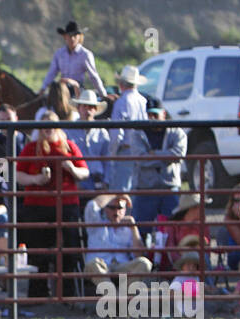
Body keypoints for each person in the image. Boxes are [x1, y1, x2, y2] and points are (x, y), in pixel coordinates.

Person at [17, 111, 89, 300]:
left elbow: (84, 172)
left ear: (57, 127)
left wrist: (72, 169)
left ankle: (68, 292)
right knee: (37, 251)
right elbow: (17, 175)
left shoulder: (70, 146)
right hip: (37, 205)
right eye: (44, 126)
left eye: (51, 125)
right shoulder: (32, 148)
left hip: (66, 204)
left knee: (69, 250)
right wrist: (36, 179)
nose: (47, 129)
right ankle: (38, 293)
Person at [133, 101, 187, 225]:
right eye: (149, 115)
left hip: (169, 187)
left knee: (173, 226)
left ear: (163, 114)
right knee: (141, 228)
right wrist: (166, 156)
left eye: (155, 115)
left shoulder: (176, 131)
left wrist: (153, 154)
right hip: (145, 188)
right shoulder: (138, 132)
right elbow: (140, 159)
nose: (152, 118)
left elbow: (179, 155)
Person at [83, 193, 153, 283]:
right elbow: (91, 205)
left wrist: (133, 227)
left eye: (120, 208)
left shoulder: (129, 228)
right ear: (105, 209)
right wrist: (115, 195)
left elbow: (138, 255)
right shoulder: (96, 224)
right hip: (101, 267)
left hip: (122, 267)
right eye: (112, 208)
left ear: (125, 210)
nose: (116, 212)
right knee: (94, 263)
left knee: (144, 263)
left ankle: (125, 294)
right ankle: (114, 296)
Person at [107, 65, 149, 196]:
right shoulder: (142, 101)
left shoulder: (121, 102)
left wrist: (112, 153)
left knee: (121, 190)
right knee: (135, 188)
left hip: (125, 149)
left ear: (121, 84)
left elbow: (116, 131)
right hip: (140, 149)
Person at [41, 21, 105, 99]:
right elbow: (51, 73)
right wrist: (43, 88)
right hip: (62, 89)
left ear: (80, 37)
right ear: (65, 37)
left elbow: (93, 76)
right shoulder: (59, 54)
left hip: (77, 89)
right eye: (69, 35)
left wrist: (103, 94)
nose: (72, 38)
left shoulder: (85, 54)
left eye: (75, 35)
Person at [73, 90, 110, 191]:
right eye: (84, 106)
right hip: (76, 179)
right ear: (78, 108)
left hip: (97, 179)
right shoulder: (68, 130)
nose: (87, 110)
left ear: (95, 110)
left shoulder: (102, 132)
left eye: (91, 107)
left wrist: (106, 181)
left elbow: (107, 159)